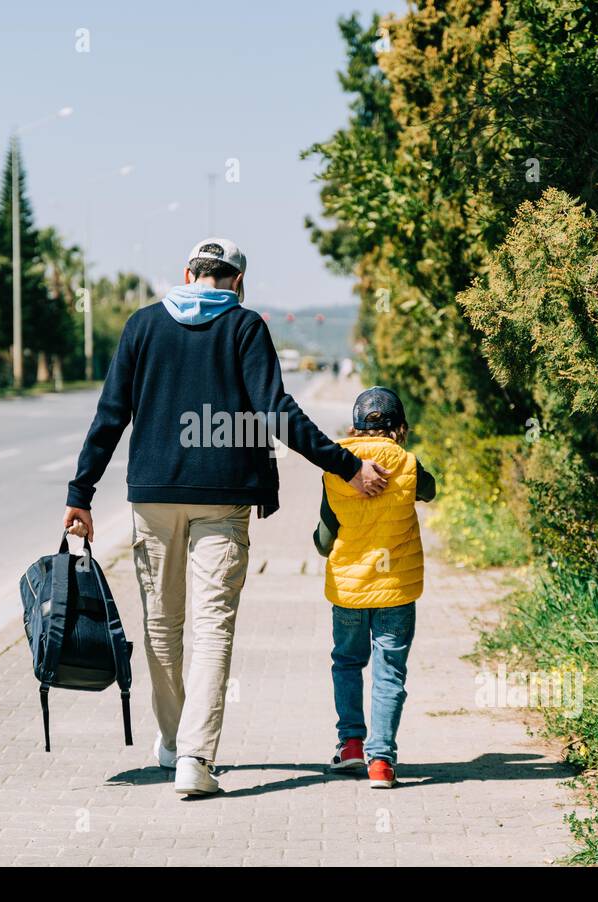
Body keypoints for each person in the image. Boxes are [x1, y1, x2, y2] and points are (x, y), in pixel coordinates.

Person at [63, 238, 390, 797]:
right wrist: (344, 465)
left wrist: (80, 493)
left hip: (154, 495)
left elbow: (111, 414)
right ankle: (193, 757)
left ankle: (173, 743)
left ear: (187, 273)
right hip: (224, 496)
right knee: (212, 626)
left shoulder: (143, 325)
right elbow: (276, 411)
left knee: (162, 627)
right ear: (238, 283)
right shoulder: (245, 326)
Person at [312, 386, 435, 788]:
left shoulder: (337, 468)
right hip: (396, 588)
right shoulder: (409, 465)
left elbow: (324, 540)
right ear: (401, 430)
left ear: (355, 427)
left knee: (347, 662)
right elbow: (430, 490)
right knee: (390, 671)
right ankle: (381, 763)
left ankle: (350, 745)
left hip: (349, 589)